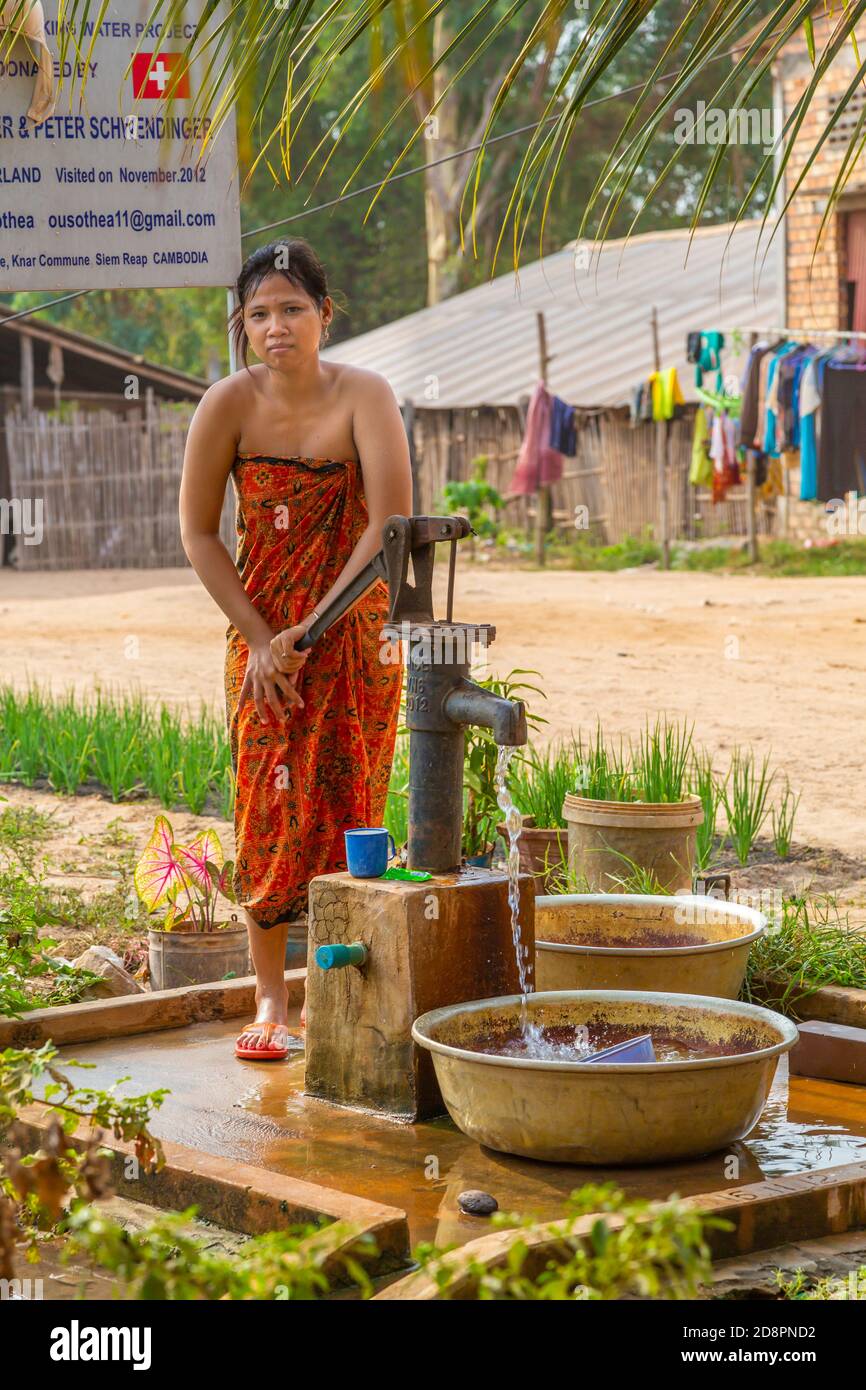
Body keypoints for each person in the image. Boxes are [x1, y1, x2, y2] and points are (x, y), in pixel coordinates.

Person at [179, 238, 411, 1059]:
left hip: (353, 636)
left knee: (353, 810)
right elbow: (200, 534)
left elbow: (389, 530)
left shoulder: (366, 396)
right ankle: (271, 1003)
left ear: (325, 315)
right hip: (261, 635)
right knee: (268, 808)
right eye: (259, 314)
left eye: (292, 310)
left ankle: (340, 995)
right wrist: (261, 642)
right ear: (242, 325)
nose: (276, 327)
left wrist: (310, 631)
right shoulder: (227, 405)